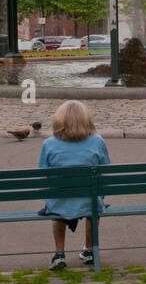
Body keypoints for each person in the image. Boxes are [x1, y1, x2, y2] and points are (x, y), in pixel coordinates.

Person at [37, 100, 109, 270]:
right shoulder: (97, 142)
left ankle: (59, 254)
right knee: (94, 205)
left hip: (59, 201)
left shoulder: (49, 144)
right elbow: (105, 169)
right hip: (89, 201)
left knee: (57, 204)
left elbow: (43, 174)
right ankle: (90, 249)